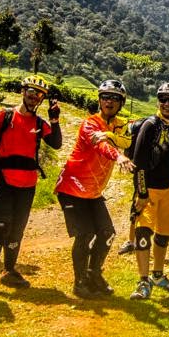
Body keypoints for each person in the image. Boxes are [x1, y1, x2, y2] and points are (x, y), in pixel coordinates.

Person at [0, 75, 63, 296]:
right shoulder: (4, 116)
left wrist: (54, 119)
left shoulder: (40, 124)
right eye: (30, 91)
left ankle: (10, 270)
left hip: (27, 183)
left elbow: (57, 143)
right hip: (3, 180)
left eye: (38, 94)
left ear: (42, 98)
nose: (33, 96)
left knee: (17, 229)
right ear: (23, 92)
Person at [54, 79, 134, 299]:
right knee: (85, 234)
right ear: (99, 100)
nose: (109, 101)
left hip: (93, 191)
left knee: (107, 233)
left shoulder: (120, 125)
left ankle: (94, 274)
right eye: (106, 97)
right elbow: (100, 145)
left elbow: (128, 139)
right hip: (72, 185)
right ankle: (79, 283)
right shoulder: (90, 123)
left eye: (115, 98)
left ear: (121, 102)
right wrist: (118, 156)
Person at [129, 82, 169, 300]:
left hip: (168, 187)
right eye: (162, 99)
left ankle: (157, 274)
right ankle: (142, 280)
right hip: (147, 188)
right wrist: (142, 193)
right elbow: (138, 162)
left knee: (165, 233)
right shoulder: (150, 125)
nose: (166, 104)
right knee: (143, 232)